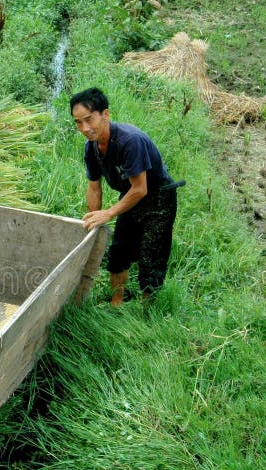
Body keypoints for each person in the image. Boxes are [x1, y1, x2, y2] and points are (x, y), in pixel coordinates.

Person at [69, 87, 179, 306]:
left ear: (105, 114)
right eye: (79, 122)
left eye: (89, 119)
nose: (85, 128)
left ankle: (148, 309)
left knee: (151, 254)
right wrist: (95, 219)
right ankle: (116, 301)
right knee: (120, 249)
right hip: (130, 196)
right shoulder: (91, 148)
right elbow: (94, 188)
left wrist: (108, 213)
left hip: (158, 197)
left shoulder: (130, 141)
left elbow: (140, 189)